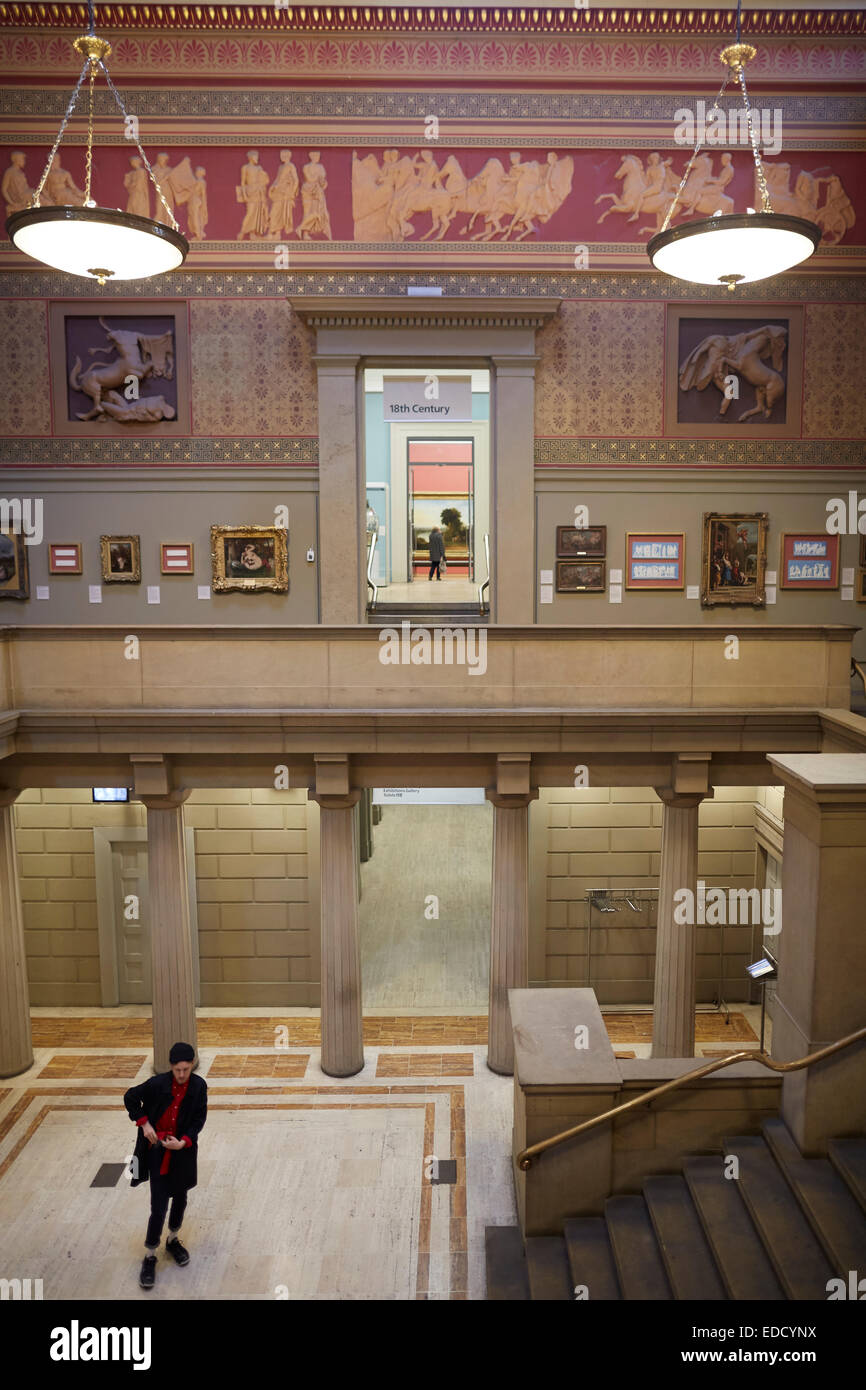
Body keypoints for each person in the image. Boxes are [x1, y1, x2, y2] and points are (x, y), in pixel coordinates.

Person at [124, 1040, 208, 1290]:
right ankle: (150, 1254)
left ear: (191, 1065)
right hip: (158, 1152)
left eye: (185, 1069)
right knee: (158, 1205)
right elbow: (130, 1097)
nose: (181, 1075)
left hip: (181, 1152)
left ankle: (172, 1240)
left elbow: (198, 1119)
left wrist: (183, 1142)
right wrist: (144, 1123)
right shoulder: (157, 1084)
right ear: (171, 1067)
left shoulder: (199, 1086)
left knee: (180, 1198)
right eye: (177, 1070)